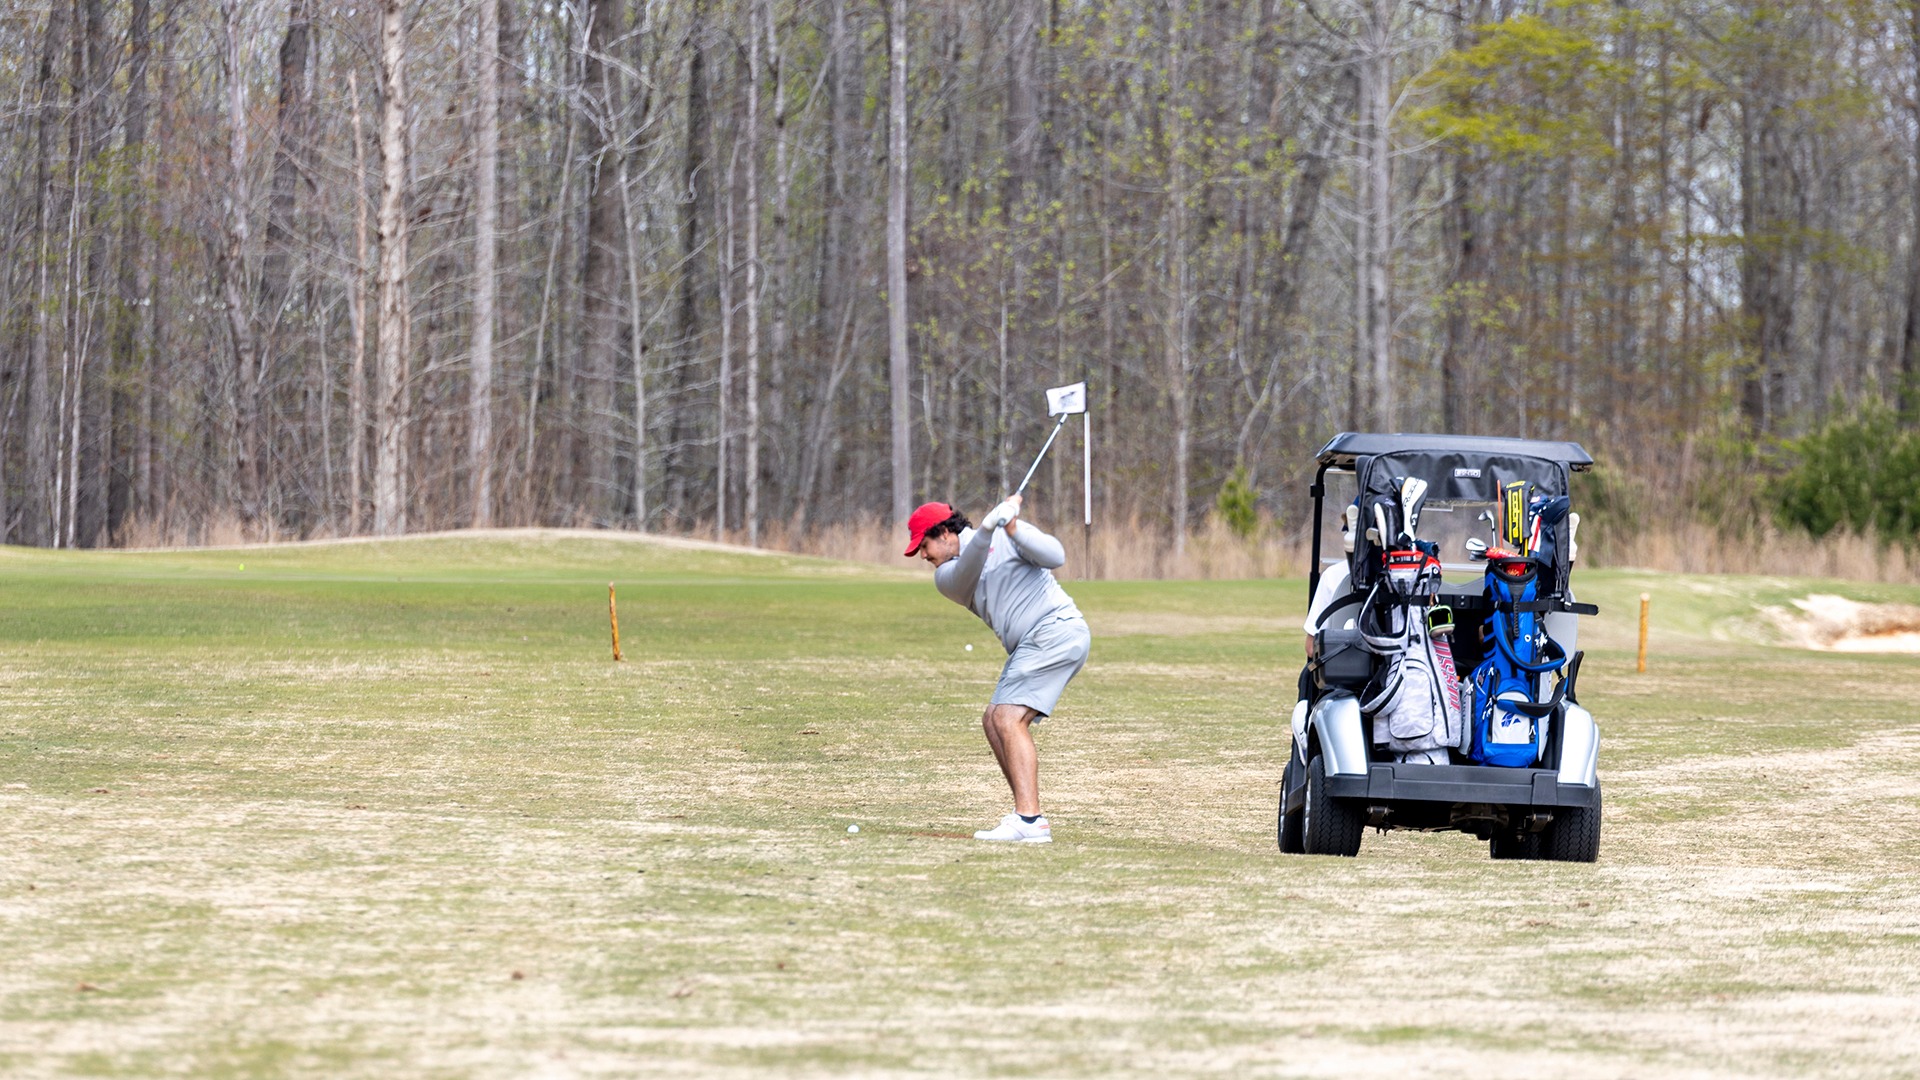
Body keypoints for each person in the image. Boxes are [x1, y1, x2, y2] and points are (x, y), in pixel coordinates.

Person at [904, 495, 1091, 843]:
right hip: (1033, 643)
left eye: (924, 546)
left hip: (1054, 629)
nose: (923, 556)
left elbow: (1056, 556)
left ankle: (1029, 820)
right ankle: (1026, 814)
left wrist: (1014, 527)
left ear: (945, 533)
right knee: (993, 718)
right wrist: (989, 528)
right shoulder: (947, 576)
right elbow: (968, 569)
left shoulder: (1006, 534)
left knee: (1007, 718)